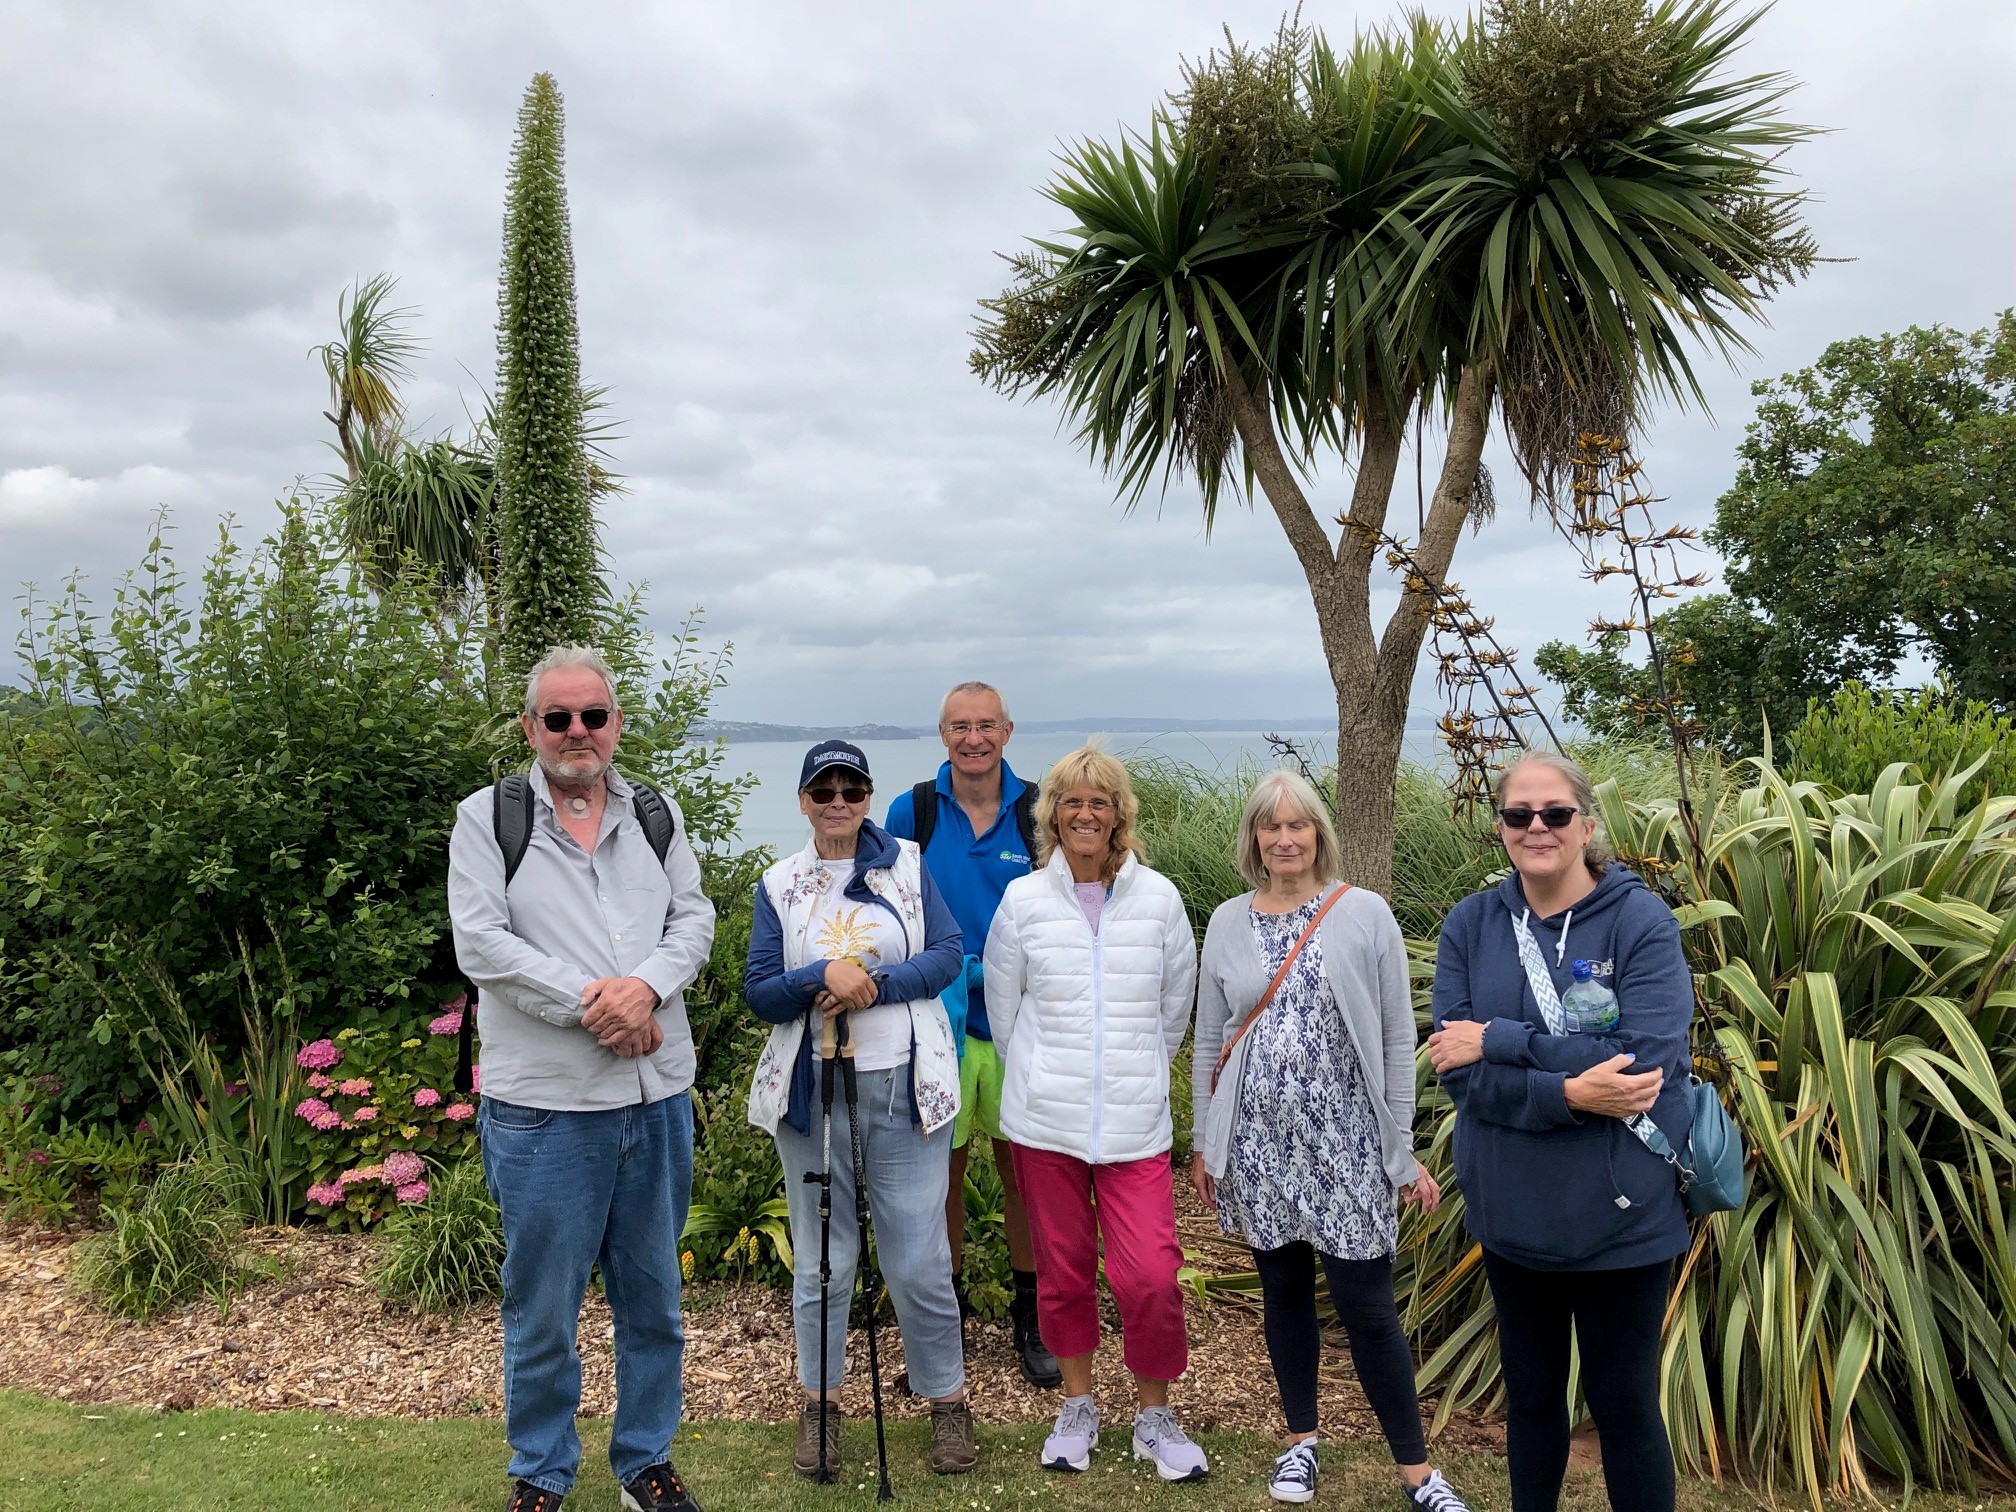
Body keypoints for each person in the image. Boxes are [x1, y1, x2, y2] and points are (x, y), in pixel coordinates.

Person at [448, 645, 714, 1512]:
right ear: (530, 727)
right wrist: (596, 1001)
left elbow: (695, 921)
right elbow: (482, 943)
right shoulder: (488, 819)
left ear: (615, 723)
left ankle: (645, 1462)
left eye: (591, 716)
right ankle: (541, 1473)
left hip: (655, 1096)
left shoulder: (657, 813)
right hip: (545, 1108)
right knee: (542, 1310)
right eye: (556, 717)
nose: (576, 732)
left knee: (654, 1303)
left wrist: (645, 990)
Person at [1190, 771, 1472, 1509]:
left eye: (1298, 826)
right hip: (1257, 1143)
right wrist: (1204, 1141)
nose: (1285, 839)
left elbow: (1391, 1036)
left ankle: (1417, 1472)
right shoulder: (1226, 921)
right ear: (1253, 838)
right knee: (1283, 1298)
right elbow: (1208, 1040)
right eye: (1269, 827)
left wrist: (1399, 1151)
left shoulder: (1363, 913)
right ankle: (1299, 1446)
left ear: (1319, 833)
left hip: (1345, 1144)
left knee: (1368, 1308)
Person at [1427, 751, 1694, 1512]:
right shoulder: (1471, 925)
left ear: (1587, 824)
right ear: (1501, 827)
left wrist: (1503, 1042)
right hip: (1514, 1213)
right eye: (1519, 815)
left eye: (1554, 813)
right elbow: (1456, 1071)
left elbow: (1645, 1063)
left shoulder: (1640, 922)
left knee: (1626, 1409)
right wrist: (1576, 1090)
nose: (1536, 828)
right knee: (1534, 1403)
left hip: (1625, 1219)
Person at [743, 740, 979, 1479]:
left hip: (904, 1084)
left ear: (868, 796)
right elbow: (760, 990)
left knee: (919, 1260)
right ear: (805, 801)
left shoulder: (908, 863)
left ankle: (947, 1402)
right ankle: (820, 1407)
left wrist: (874, 984)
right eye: (824, 789)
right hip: (812, 1095)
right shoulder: (779, 883)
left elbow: (946, 951)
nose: (838, 800)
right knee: (822, 1261)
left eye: (851, 787)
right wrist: (822, 975)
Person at [983, 745, 1205, 1481]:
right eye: (1072, 801)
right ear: (1052, 815)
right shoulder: (1022, 902)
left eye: (1099, 802)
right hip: (1046, 1123)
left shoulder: (1160, 899)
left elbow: (1175, 1009)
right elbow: (1005, 1012)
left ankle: (1154, 1415)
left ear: (1119, 816)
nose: (1085, 813)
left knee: (1149, 1276)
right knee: (1065, 1271)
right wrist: (1046, 1079)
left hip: (1135, 1123)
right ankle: (1077, 1407)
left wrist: (1133, 1068)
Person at [883, 680, 1060, 1389]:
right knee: (940, 1179)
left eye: (986, 725)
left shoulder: (1039, 810)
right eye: (960, 726)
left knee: (1025, 1177)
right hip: (937, 1026)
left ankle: (1031, 1318)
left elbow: (1065, 911)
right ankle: (945, 1318)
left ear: (1008, 732)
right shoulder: (913, 810)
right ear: (943, 734)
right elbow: (889, 906)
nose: (974, 738)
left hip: (1022, 1027)